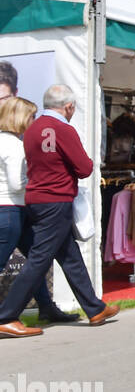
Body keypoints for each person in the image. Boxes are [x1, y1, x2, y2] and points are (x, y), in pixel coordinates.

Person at [0, 85, 118, 337]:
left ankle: (95, 308)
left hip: (36, 199)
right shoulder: (63, 129)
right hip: (56, 199)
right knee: (39, 259)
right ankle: (7, 315)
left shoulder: (32, 130)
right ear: (69, 106)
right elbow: (84, 168)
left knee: (70, 257)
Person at [0, 97, 80, 325]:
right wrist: (40, 182)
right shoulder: (15, 146)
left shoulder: (5, 142)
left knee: (37, 262)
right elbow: (17, 183)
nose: (34, 121)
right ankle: (10, 318)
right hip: (12, 210)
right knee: (33, 261)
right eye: (32, 116)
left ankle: (46, 307)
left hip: (13, 210)